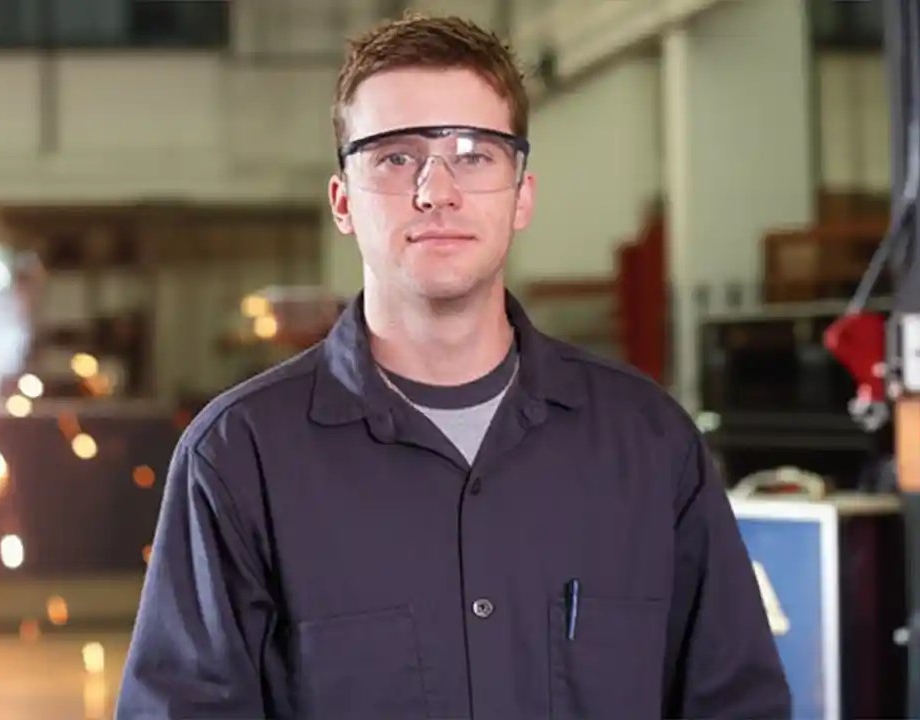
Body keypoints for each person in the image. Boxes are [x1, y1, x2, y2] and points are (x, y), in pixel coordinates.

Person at [117, 12, 790, 719]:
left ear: (522, 193)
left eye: (474, 154)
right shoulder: (239, 459)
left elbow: (736, 705)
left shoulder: (650, 446)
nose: (436, 190)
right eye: (395, 157)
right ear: (343, 202)